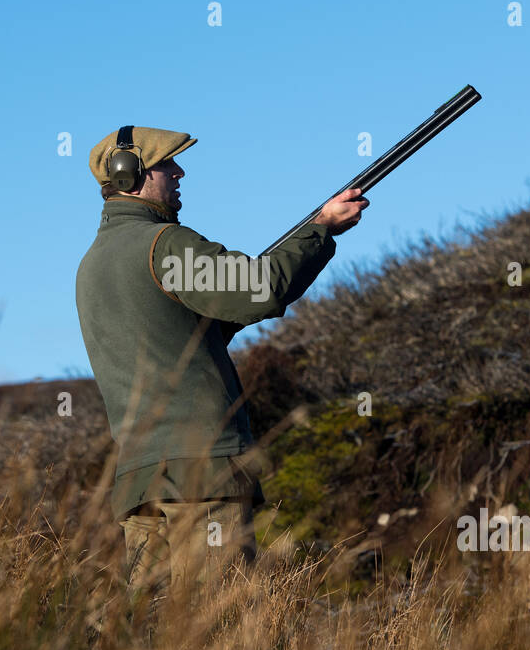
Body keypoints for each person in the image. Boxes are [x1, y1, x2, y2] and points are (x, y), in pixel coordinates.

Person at [74, 125, 367, 621]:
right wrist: (322, 229)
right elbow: (261, 288)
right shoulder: (163, 245)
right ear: (133, 174)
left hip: (143, 483)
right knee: (219, 631)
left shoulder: (93, 265)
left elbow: (188, 335)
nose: (179, 172)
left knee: (156, 635)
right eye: (168, 164)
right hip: (201, 478)